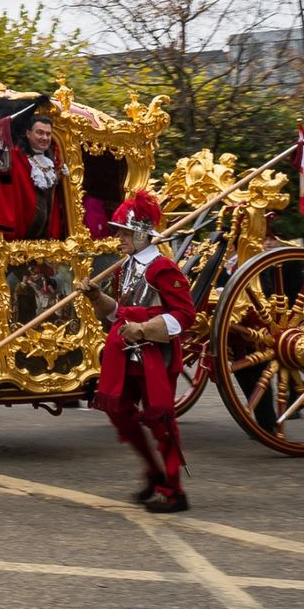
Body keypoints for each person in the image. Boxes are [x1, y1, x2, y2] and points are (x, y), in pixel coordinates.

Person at [82, 190, 196, 513]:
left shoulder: (163, 269)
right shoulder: (124, 268)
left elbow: (185, 315)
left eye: (124, 232)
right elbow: (119, 312)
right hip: (125, 352)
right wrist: (95, 297)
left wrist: (145, 329)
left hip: (155, 357)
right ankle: (154, 471)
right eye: (119, 232)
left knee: (161, 421)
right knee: (118, 411)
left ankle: (173, 489)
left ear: (143, 234)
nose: (118, 238)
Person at [0, 113, 66, 241]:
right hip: (21, 236)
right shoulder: (17, 156)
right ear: (28, 133)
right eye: (40, 133)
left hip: (47, 238)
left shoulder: (54, 159)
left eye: (48, 134)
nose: (45, 137)